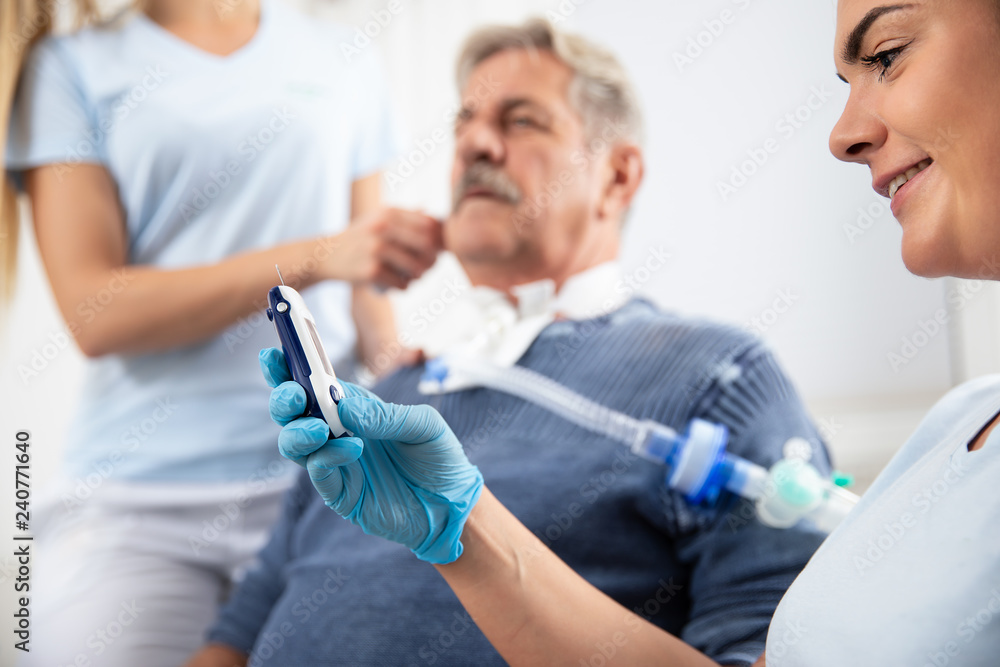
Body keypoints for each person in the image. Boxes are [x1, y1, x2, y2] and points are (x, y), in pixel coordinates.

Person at [243, 2, 1000, 666]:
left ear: (618, 175)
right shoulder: (384, 404)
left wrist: (465, 527)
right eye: (464, 124)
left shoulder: (716, 373)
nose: (475, 145)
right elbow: (240, 627)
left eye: (519, 120)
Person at [2, 0, 440, 664]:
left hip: (324, 486)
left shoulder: (343, 56)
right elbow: (95, 310)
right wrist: (314, 255)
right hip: (138, 501)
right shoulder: (72, 68)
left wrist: (393, 360)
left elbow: (366, 284)